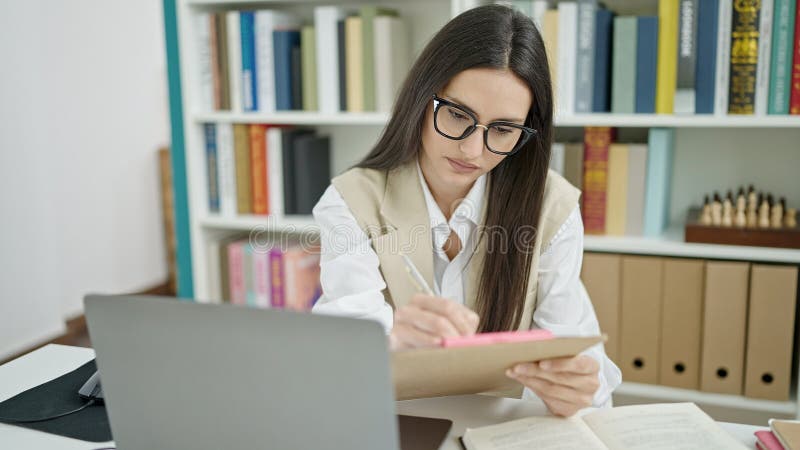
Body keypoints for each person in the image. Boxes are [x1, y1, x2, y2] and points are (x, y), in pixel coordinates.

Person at [311, 4, 621, 417]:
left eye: (504, 130)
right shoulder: (350, 202)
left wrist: (576, 392)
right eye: (458, 115)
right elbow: (337, 366)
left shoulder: (553, 209)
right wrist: (391, 345)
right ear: (422, 98)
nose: (473, 151)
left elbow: (586, 375)